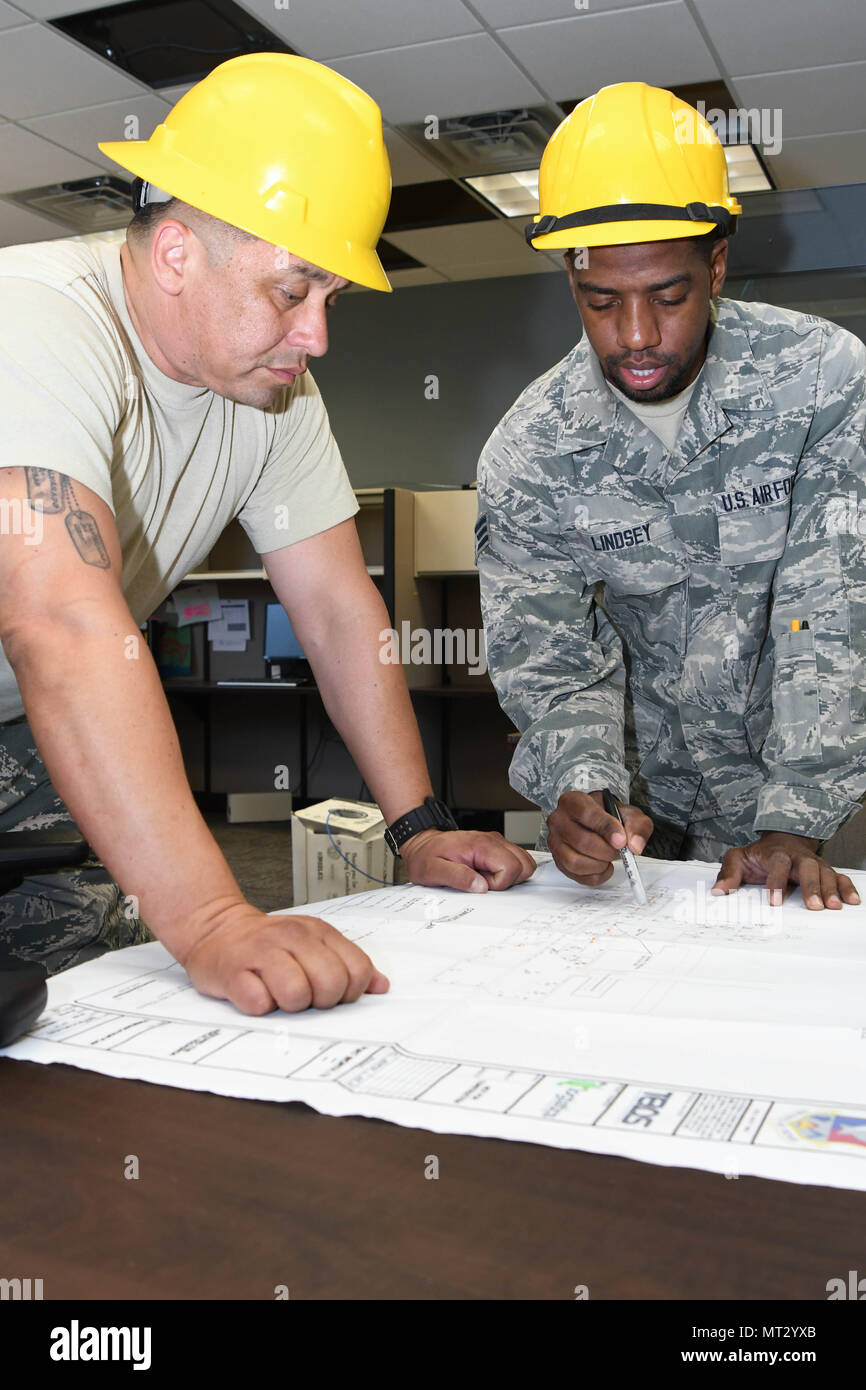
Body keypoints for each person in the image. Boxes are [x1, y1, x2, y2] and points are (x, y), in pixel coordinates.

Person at [0, 53, 534, 1012]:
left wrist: (416, 827)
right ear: (175, 255)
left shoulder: (272, 395)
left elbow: (336, 607)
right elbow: (62, 625)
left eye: (333, 298)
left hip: (17, 729)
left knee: (84, 991)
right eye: (294, 291)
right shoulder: (33, 322)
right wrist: (212, 918)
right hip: (37, 676)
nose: (318, 335)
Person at [476, 81, 866, 911]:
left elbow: (828, 608)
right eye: (601, 302)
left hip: (821, 802)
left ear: (715, 266)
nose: (638, 336)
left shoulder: (823, 380)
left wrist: (799, 817)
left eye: (669, 296)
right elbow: (551, 660)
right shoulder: (529, 450)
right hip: (644, 813)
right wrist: (583, 792)